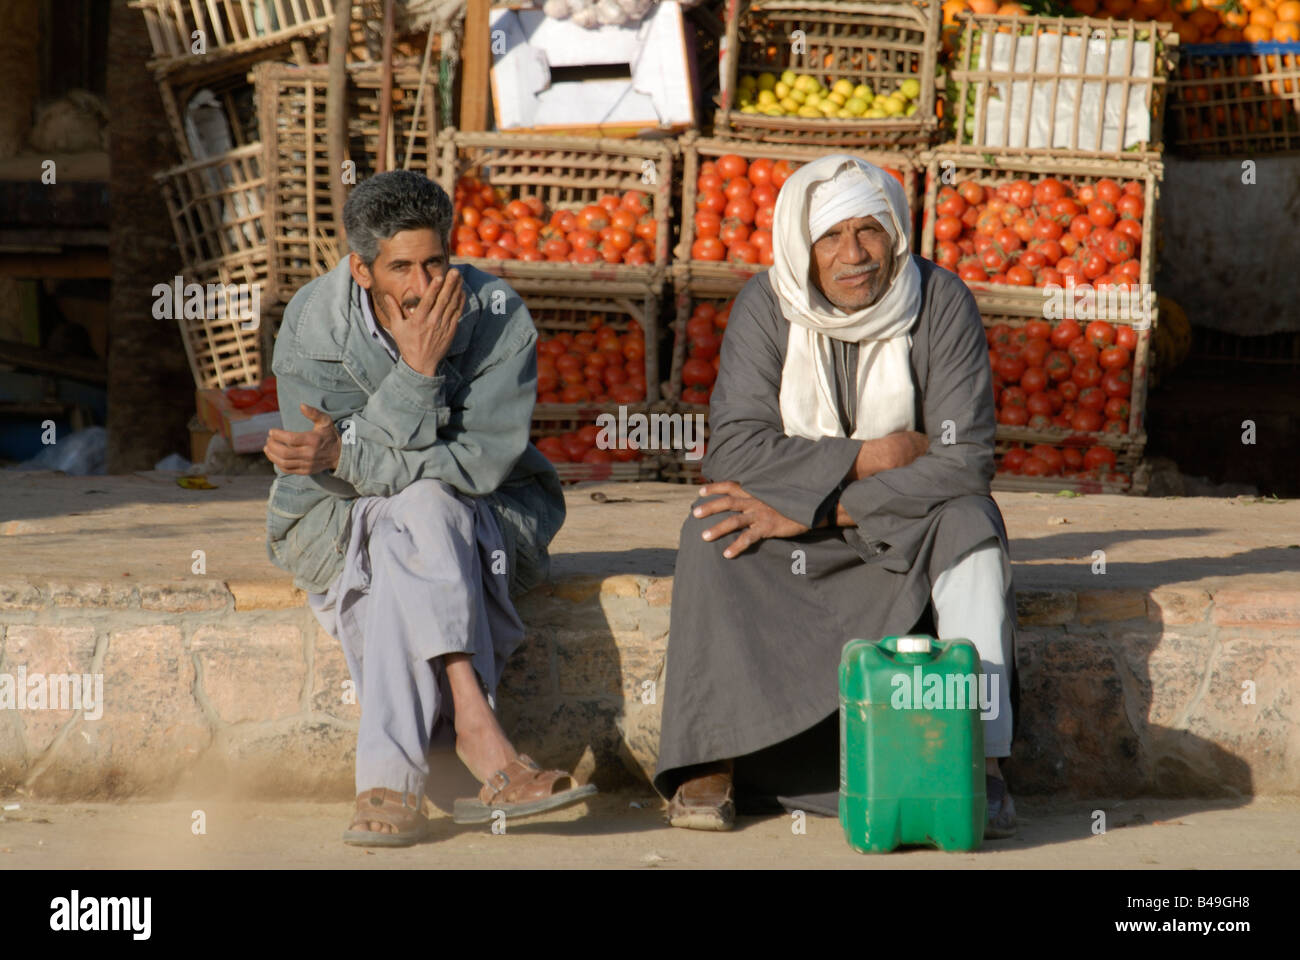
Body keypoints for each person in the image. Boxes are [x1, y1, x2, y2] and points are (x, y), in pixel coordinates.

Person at [653, 155, 1019, 838]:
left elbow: (965, 458)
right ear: (801, 246)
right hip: (799, 529)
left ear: (896, 234)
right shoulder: (767, 304)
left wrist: (826, 505)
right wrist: (870, 456)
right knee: (711, 526)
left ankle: (982, 762)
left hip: (901, 529)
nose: (855, 256)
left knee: (971, 525)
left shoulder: (939, 300)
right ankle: (713, 756)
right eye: (831, 237)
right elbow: (733, 452)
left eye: (870, 231)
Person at [262, 170, 594, 847]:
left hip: (489, 515)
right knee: (415, 512)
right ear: (361, 269)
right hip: (332, 522)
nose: (422, 285)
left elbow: (479, 465)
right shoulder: (312, 324)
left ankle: (388, 783)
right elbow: (339, 487)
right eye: (401, 267)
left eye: (436, 261)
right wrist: (415, 375)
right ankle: (481, 735)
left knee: (424, 508)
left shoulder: (497, 314)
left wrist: (359, 447)